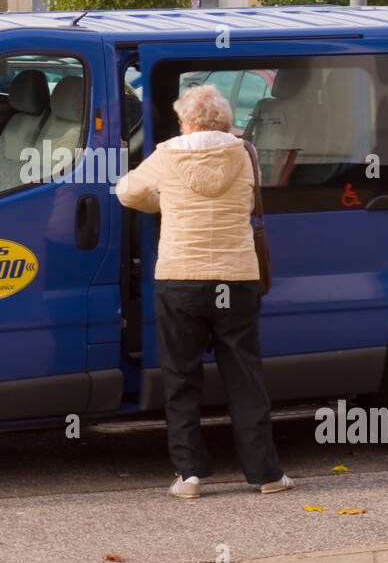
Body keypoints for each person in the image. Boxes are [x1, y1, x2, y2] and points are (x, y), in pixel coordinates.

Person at [115, 83, 293, 499]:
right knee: (246, 377)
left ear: (187, 121)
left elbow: (126, 192)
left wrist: (164, 202)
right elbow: (250, 200)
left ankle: (189, 475)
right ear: (224, 121)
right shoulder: (245, 154)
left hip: (181, 279)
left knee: (181, 376)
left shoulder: (166, 155)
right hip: (235, 277)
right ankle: (266, 473)